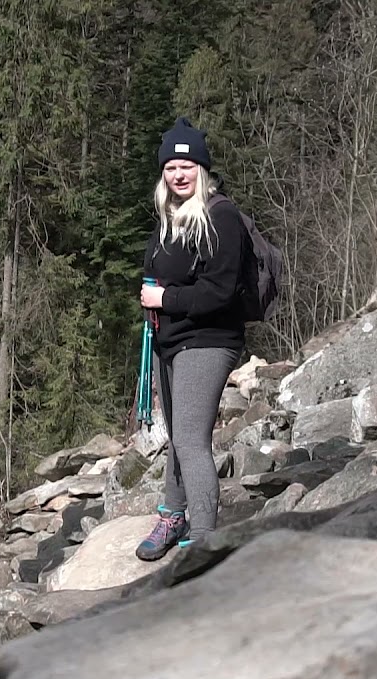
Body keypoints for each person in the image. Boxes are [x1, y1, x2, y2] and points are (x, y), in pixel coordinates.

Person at [136, 116, 258, 561]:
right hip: (173, 340)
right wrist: (154, 299)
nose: (179, 174)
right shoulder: (169, 218)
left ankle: (204, 533)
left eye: (187, 167)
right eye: (170, 167)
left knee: (190, 438)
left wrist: (164, 297)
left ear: (202, 170)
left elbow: (219, 290)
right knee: (179, 435)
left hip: (208, 340)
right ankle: (174, 512)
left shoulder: (219, 215)